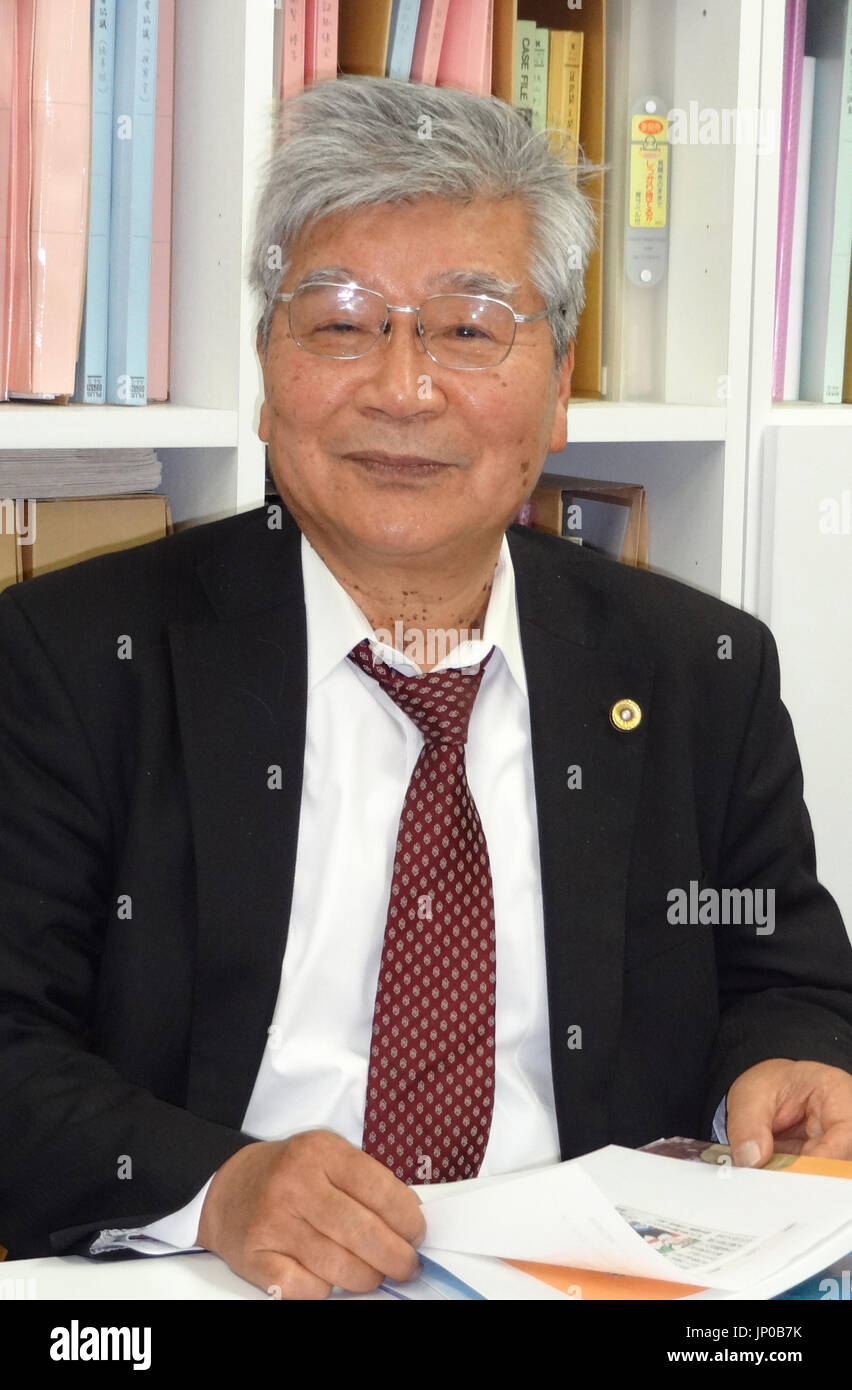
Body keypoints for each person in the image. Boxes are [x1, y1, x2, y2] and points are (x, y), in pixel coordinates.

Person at [1, 76, 852, 1302]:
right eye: (341, 322)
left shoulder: (697, 674)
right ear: (267, 367)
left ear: (559, 389)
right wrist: (217, 1183)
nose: (401, 389)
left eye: (467, 329)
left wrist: (789, 1059)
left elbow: (778, 971)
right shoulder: (71, 661)